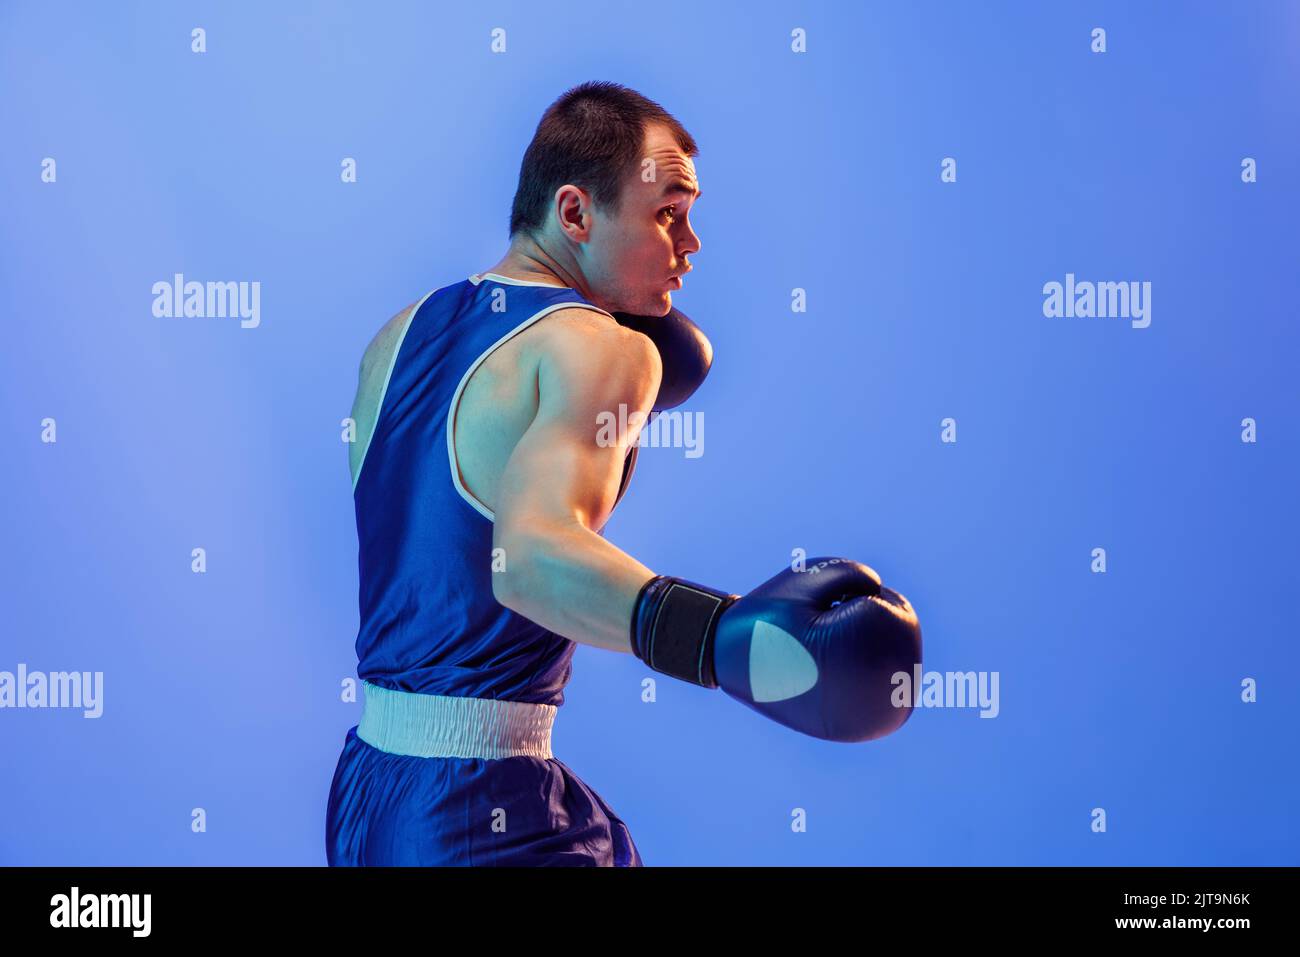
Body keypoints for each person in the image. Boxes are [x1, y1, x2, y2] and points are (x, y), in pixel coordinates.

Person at [326, 81, 921, 867]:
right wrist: (718, 638)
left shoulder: (396, 336)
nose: (692, 242)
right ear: (574, 214)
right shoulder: (602, 349)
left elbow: (444, 544)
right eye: (668, 211)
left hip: (367, 792)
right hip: (480, 808)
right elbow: (528, 560)